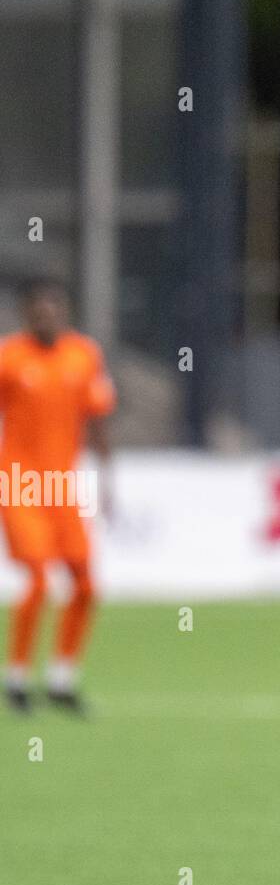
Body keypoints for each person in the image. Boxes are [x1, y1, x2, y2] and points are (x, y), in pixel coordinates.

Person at [0, 279, 115, 712]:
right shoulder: (9, 358)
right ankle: (17, 679)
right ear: (27, 315)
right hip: (20, 484)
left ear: (64, 313)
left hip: (63, 486)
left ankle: (61, 680)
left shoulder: (83, 355)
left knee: (86, 584)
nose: (47, 317)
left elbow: (97, 418)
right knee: (38, 580)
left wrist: (107, 479)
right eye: (39, 310)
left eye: (54, 309)